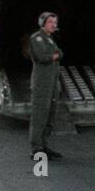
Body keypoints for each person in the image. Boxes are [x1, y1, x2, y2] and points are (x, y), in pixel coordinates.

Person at [28, 11, 64, 160]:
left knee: (50, 115)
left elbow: (60, 53)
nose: (54, 25)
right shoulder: (37, 38)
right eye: (50, 22)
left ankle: (44, 145)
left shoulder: (49, 40)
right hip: (42, 83)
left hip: (52, 82)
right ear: (43, 23)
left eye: (55, 23)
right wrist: (55, 55)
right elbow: (42, 57)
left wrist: (56, 55)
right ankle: (36, 148)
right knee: (39, 116)